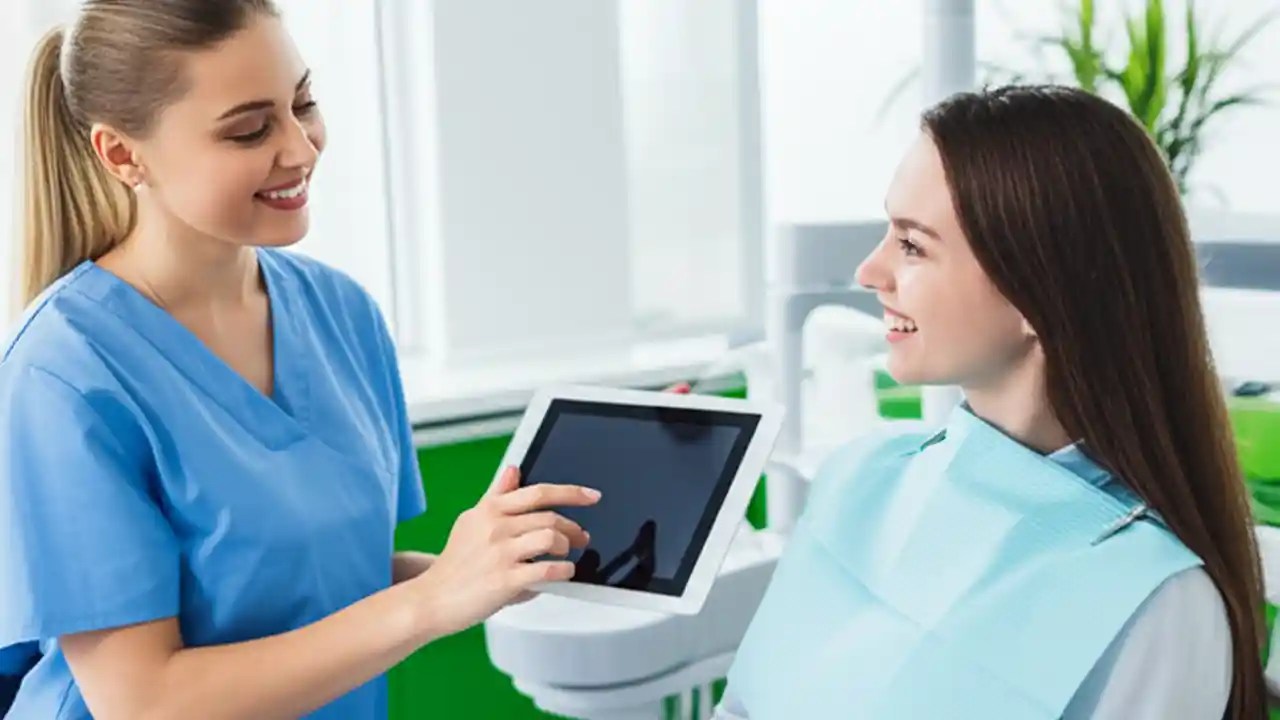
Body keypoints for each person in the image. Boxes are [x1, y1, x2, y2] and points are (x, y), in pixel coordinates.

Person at [0, 2, 602, 717]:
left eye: (303, 103)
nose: (302, 148)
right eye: (250, 129)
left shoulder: (341, 314)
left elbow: (322, 576)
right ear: (122, 155)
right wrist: (434, 602)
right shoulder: (63, 372)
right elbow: (143, 700)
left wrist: (488, 572)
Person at [715, 85, 1268, 719]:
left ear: (1038, 291)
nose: (869, 271)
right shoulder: (863, 475)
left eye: (913, 245)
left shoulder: (1158, 603)